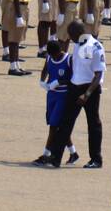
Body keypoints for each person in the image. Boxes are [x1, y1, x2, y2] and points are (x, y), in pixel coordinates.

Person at [40, 20, 104, 168]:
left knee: (93, 124)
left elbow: (98, 74)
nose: (69, 37)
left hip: (90, 90)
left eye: (70, 34)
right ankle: (56, 157)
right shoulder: (77, 45)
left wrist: (86, 95)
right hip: (75, 87)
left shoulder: (95, 47)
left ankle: (96, 159)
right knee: (65, 123)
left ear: (77, 33)